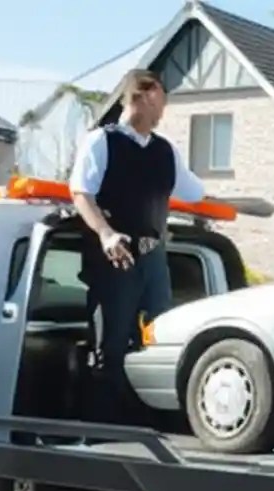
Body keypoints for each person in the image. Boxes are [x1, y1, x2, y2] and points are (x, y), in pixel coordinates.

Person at [69, 68, 206, 422]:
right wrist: (105, 232)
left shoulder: (165, 151)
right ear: (145, 95)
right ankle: (103, 427)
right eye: (162, 97)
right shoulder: (102, 141)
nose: (164, 108)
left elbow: (195, 193)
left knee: (158, 341)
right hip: (118, 257)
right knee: (111, 345)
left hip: (154, 256)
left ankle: (155, 420)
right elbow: (81, 193)